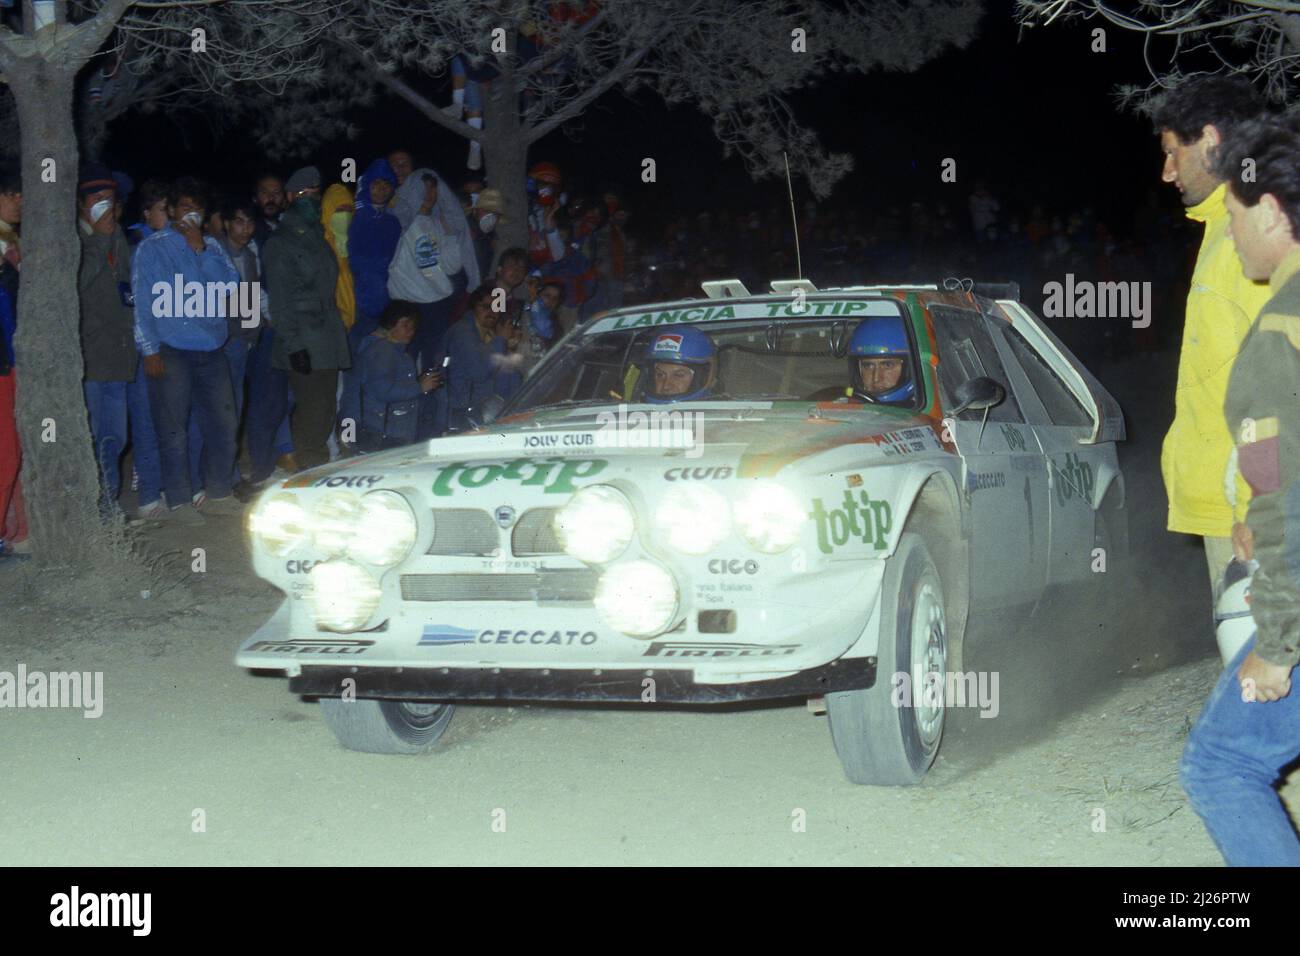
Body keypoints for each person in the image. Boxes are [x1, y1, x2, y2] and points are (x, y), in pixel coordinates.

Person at [1179, 113, 1300, 866]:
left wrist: (1279, 647)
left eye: (1230, 215)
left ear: (1270, 210)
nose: (1227, 233)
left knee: (1221, 764)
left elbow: (1284, 500)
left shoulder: (1278, 336)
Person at [1150, 76, 1273, 600]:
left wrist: (1253, 507)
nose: (1166, 172)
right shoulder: (1218, 230)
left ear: (1211, 140)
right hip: (1232, 509)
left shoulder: (1256, 230)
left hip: (1253, 515)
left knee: (1263, 675)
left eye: (1174, 153)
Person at [131, 176, 242, 523]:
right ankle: (179, 503)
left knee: (224, 422)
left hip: (211, 349)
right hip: (170, 349)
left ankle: (220, 492)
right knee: (173, 428)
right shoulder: (152, 248)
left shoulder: (212, 246)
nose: (191, 213)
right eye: (184, 207)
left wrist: (200, 250)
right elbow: (143, 303)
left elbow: (231, 288)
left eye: (198, 208)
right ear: (173, 210)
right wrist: (148, 349)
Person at [262, 166, 350, 470]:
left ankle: (312, 471)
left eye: (314, 194)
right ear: (289, 197)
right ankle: (310, 477)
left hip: (327, 338)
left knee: (325, 412)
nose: (309, 199)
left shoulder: (320, 237)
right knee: (313, 416)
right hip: (303, 338)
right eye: (303, 194)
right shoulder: (280, 242)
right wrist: (293, 344)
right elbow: (281, 301)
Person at [76, 162, 140, 517]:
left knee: (116, 437)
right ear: (82, 204)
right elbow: (78, 283)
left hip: (119, 355)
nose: (104, 204)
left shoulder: (120, 236)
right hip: (91, 357)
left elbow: (128, 290)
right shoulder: (76, 239)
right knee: (97, 436)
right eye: (97, 197)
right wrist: (100, 238)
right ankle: (100, 510)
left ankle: (109, 504)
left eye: (109, 197)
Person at [348, 300, 444, 452]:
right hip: (381, 432)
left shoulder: (394, 350)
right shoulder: (382, 350)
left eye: (413, 326)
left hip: (388, 430)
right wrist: (419, 386)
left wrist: (419, 383)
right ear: (391, 324)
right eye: (405, 325)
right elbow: (382, 390)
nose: (411, 331)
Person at [444, 284, 524, 430]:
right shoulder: (463, 332)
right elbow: (479, 372)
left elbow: (508, 376)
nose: (491, 312)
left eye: (496, 307)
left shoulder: (488, 334)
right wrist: (500, 340)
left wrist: (508, 349)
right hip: (463, 415)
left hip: (484, 411)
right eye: (485, 306)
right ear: (473, 308)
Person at [347, 158, 401, 345]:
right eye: (376, 184)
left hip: (382, 301)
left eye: (387, 185)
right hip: (354, 301)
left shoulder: (392, 223)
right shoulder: (351, 214)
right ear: (367, 184)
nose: (381, 189)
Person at [847, 315, 915, 404]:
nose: (876, 378)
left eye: (887, 365)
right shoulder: (845, 409)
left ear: (909, 368)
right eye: (868, 366)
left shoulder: (926, 413)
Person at [643, 327, 717, 403]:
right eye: (660, 375)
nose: (666, 386)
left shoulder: (723, 413)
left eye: (678, 375)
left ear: (703, 377)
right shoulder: (636, 411)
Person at [252, 172, 286, 248]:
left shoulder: (294, 225)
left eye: (276, 193)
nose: (271, 198)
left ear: (284, 198)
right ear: (255, 198)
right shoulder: (248, 230)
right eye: (264, 193)